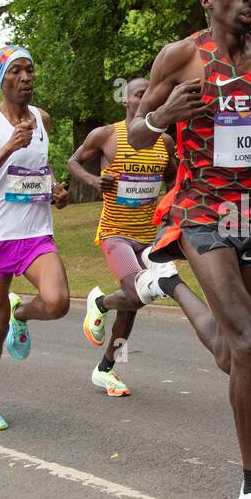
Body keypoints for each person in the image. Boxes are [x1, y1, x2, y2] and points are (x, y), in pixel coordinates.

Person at [127, 0, 251, 499]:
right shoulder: (183, 56)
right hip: (200, 209)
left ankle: (165, 284)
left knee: (233, 354)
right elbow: (135, 132)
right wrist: (162, 115)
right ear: (209, 0)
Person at [0, 45, 71, 431]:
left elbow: (41, 167)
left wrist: (57, 189)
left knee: (57, 302)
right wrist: (7, 147)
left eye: (29, 70)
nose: (25, 78)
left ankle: (21, 313)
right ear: (1, 79)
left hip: (36, 234)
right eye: (15, 72)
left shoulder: (42, 118)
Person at [67, 77, 178, 396]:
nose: (149, 99)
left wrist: (170, 203)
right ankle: (100, 303)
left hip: (148, 235)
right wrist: (92, 179)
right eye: (141, 94)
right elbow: (73, 161)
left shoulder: (164, 142)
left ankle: (105, 370)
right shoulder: (105, 135)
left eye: (154, 95)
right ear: (126, 101)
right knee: (136, 292)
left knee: (134, 302)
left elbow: (172, 177)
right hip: (115, 232)